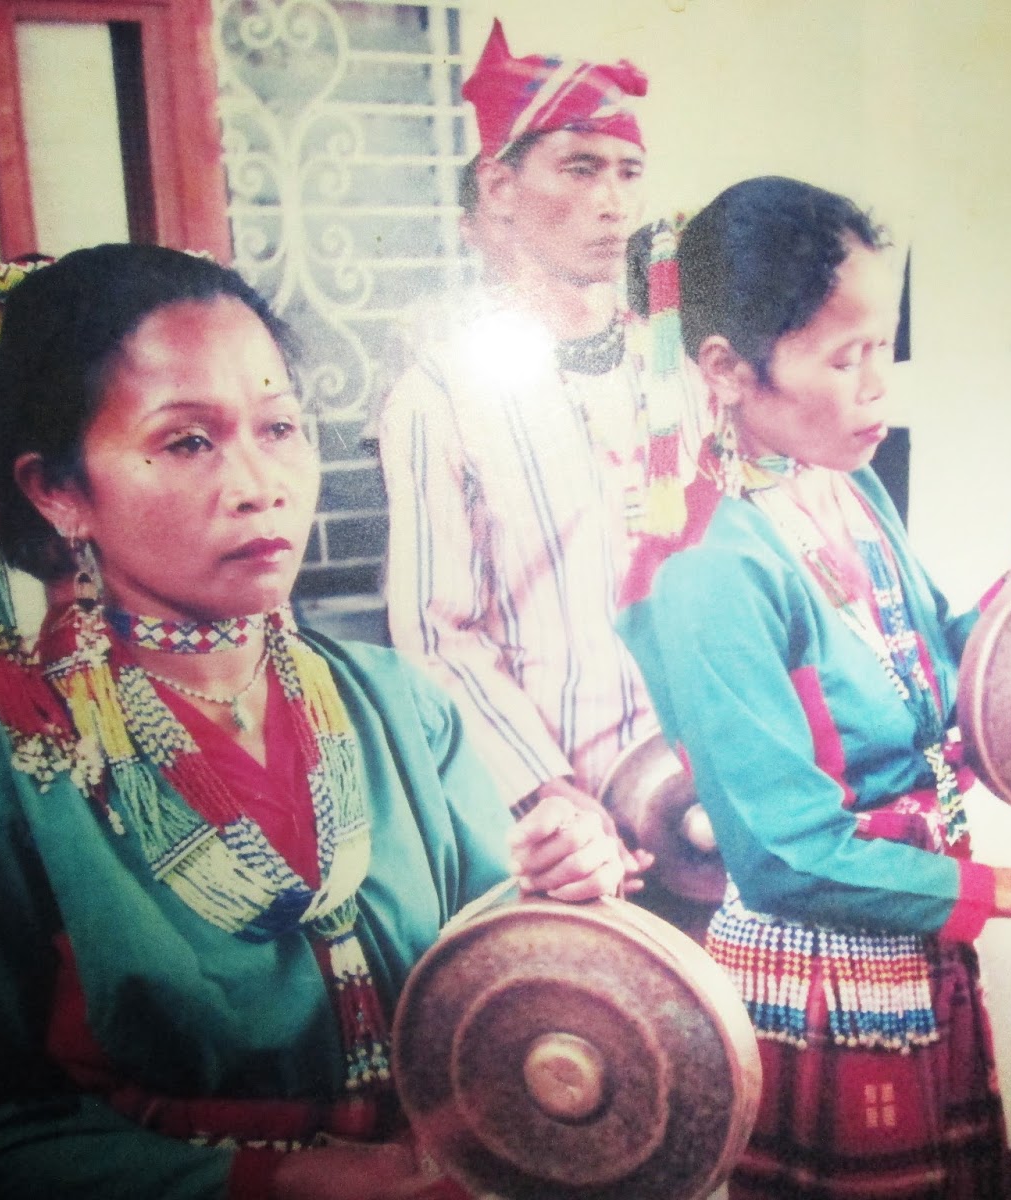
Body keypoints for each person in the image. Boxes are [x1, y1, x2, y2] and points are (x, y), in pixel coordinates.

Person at [0, 244, 627, 1200]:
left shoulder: (399, 706)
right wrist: (273, 1183)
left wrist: (560, 890)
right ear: (60, 492)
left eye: (280, 427)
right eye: (187, 442)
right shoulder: (0, 785)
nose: (261, 484)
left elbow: (498, 974)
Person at [616, 176, 1011, 1199]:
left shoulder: (847, 484)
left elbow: (929, 681)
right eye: (843, 357)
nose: (879, 389)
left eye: (883, 348)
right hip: (817, 991)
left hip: (915, 953)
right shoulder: (707, 567)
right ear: (726, 370)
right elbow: (784, 855)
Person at [377, 20, 705, 847]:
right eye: (580, 168)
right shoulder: (439, 397)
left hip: (720, 791)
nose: (612, 202)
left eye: (628, 172)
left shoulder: (682, 371)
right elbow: (437, 634)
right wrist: (549, 794)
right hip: (565, 821)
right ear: (498, 188)